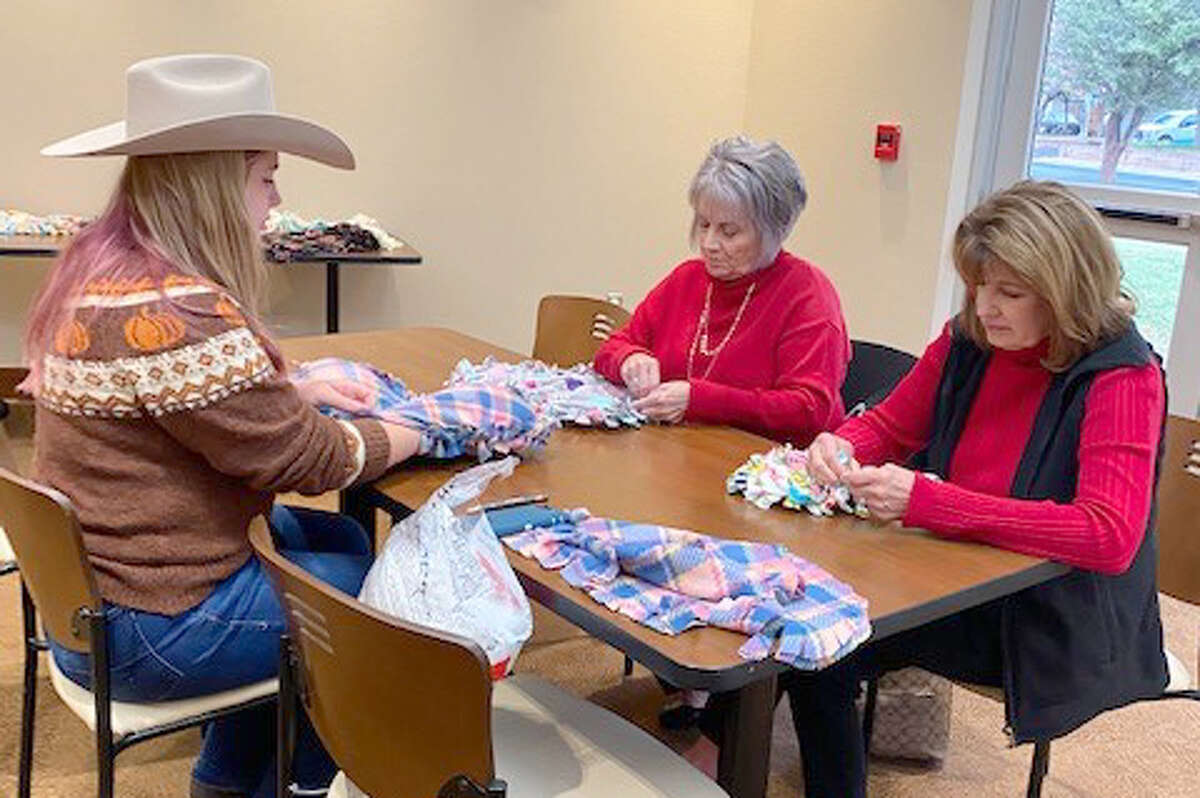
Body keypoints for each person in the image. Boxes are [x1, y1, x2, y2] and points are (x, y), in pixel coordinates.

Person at [24, 54, 421, 798]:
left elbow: (176, 405)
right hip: (148, 626)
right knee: (362, 598)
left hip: (93, 598)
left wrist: (293, 382)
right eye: (266, 175)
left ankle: (228, 777)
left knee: (336, 540)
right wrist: (427, 429)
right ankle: (304, 785)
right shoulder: (181, 314)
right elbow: (317, 461)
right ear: (215, 182)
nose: (277, 197)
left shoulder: (102, 273)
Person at [784, 180, 1169, 797]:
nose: (985, 307)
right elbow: (891, 422)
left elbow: (1107, 536)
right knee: (800, 616)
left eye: (1009, 293)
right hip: (954, 569)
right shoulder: (971, 336)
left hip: (1044, 612)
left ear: (1065, 291)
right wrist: (845, 441)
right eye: (978, 286)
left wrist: (929, 502)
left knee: (823, 641)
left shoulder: (1122, 375)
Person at [593, 135, 851, 445]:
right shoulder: (686, 280)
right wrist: (629, 358)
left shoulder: (808, 295)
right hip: (684, 456)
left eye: (729, 231)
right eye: (703, 224)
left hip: (769, 471)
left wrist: (699, 401)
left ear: (774, 231)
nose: (709, 244)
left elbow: (809, 410)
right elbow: (611, 348)